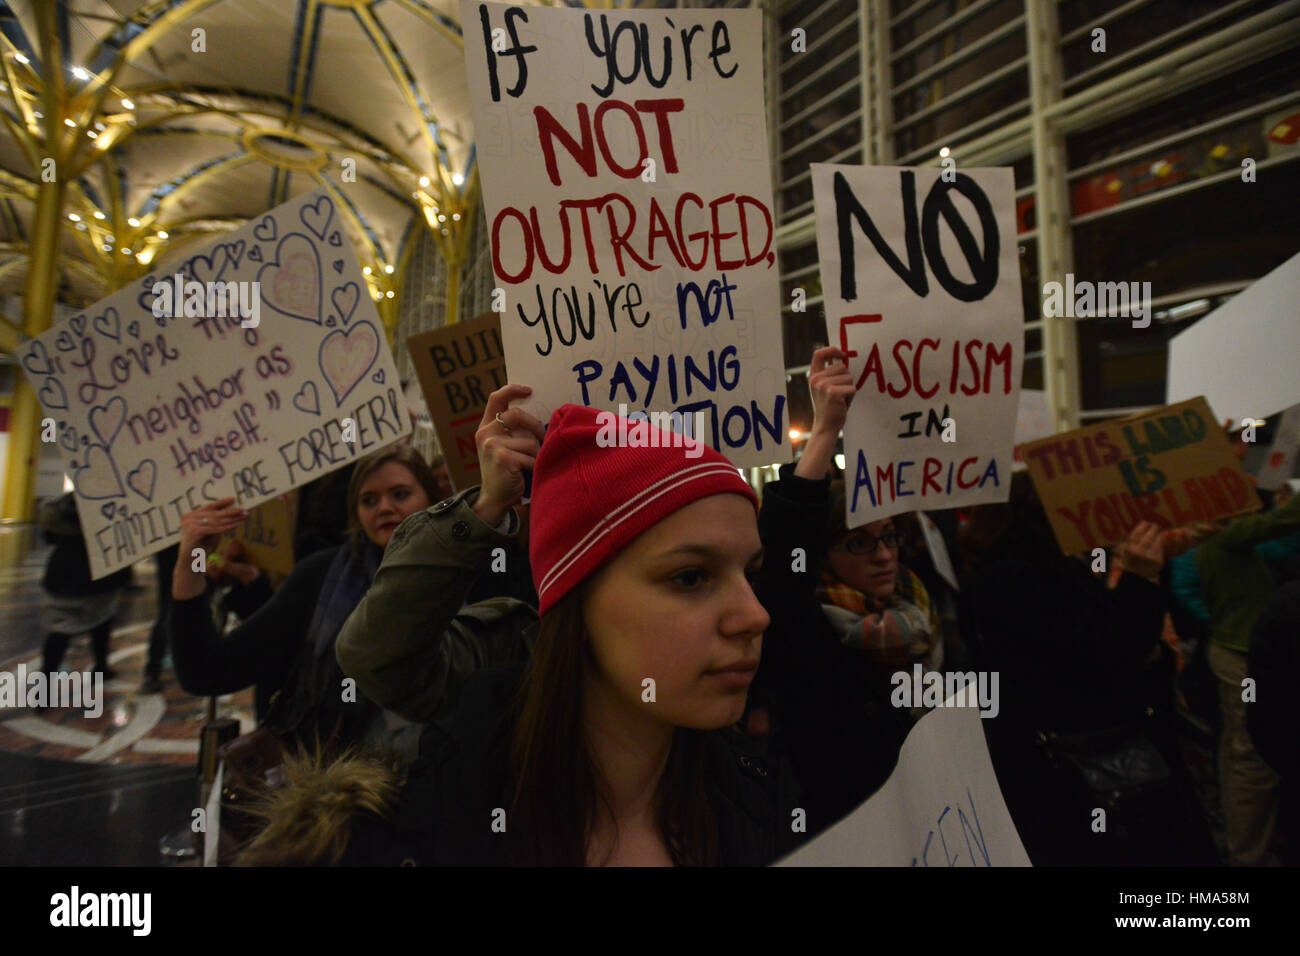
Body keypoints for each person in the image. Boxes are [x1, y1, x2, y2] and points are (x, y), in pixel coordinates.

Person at [167, 444, 453, 759]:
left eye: (400, 494)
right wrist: (190, 561)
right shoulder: (319, 577)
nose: (384, 507)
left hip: (439, 780)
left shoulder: (464, 572)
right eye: (368, 500)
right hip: (330, 789)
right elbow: (207, 670)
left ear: (432, 500)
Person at [1197, 490, 1300, 865]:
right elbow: (1282, 522)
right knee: (1252, 762)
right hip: (1242, 657)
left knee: (1236, 755)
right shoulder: (1225, 537)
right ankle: (1247, 853)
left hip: (1231, 650)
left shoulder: (1213, 541)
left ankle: (1244, 840)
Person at [39, 492, 131, 679]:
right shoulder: (109, 501)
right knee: (101, 623)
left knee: (59, 633)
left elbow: (49, 535)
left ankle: (44, 686)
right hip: (97, 573)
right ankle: (101, 667)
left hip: (63, 573)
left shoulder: (66, 503)